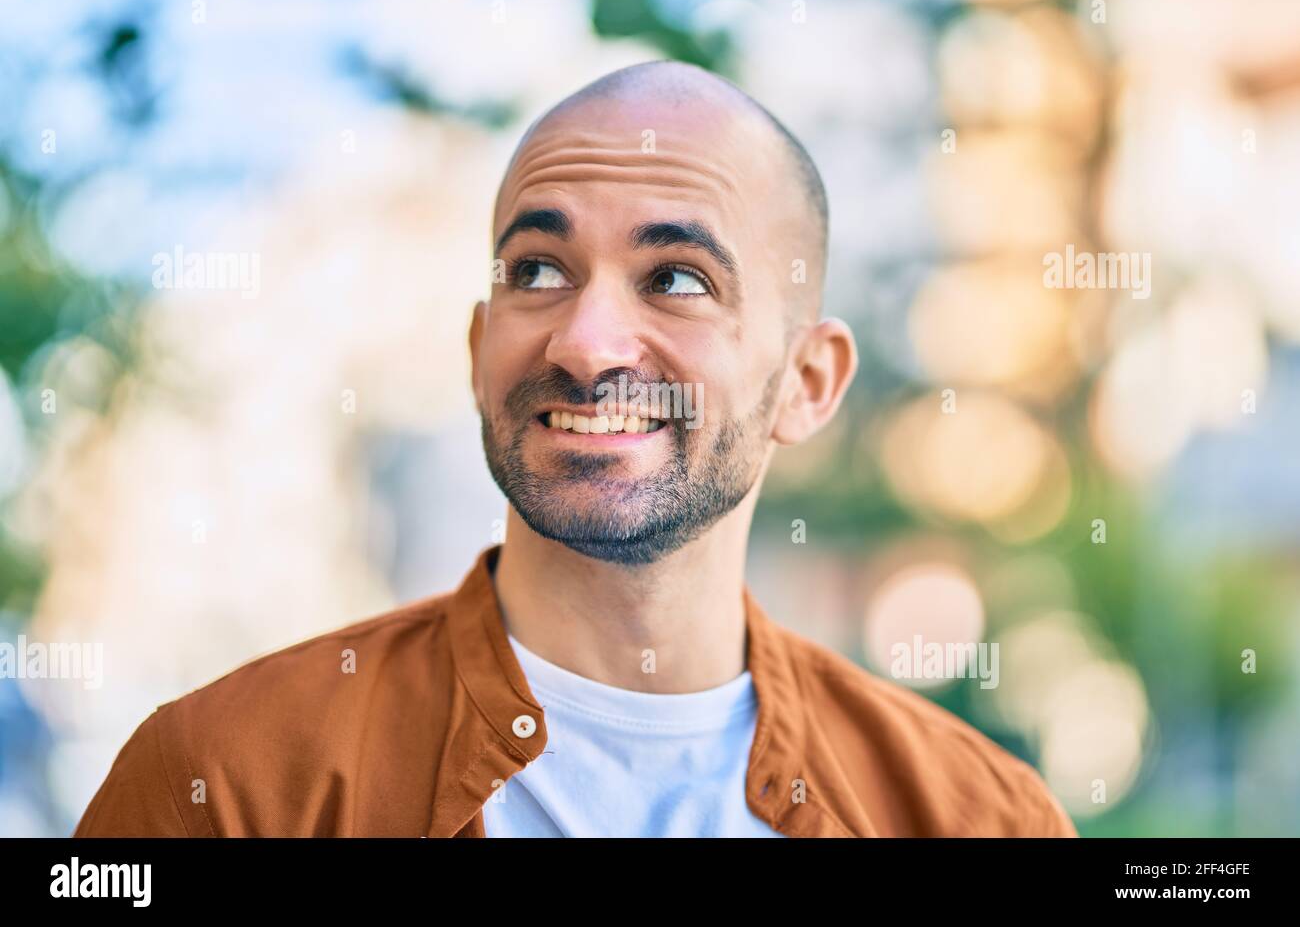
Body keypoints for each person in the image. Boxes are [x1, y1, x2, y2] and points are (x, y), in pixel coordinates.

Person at [74, 60, 1077, 838]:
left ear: (807, 383)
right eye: (539, 268)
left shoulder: (979, 816)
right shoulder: (227, 782)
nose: (585, 342)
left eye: (677, 278)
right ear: (478, 352)